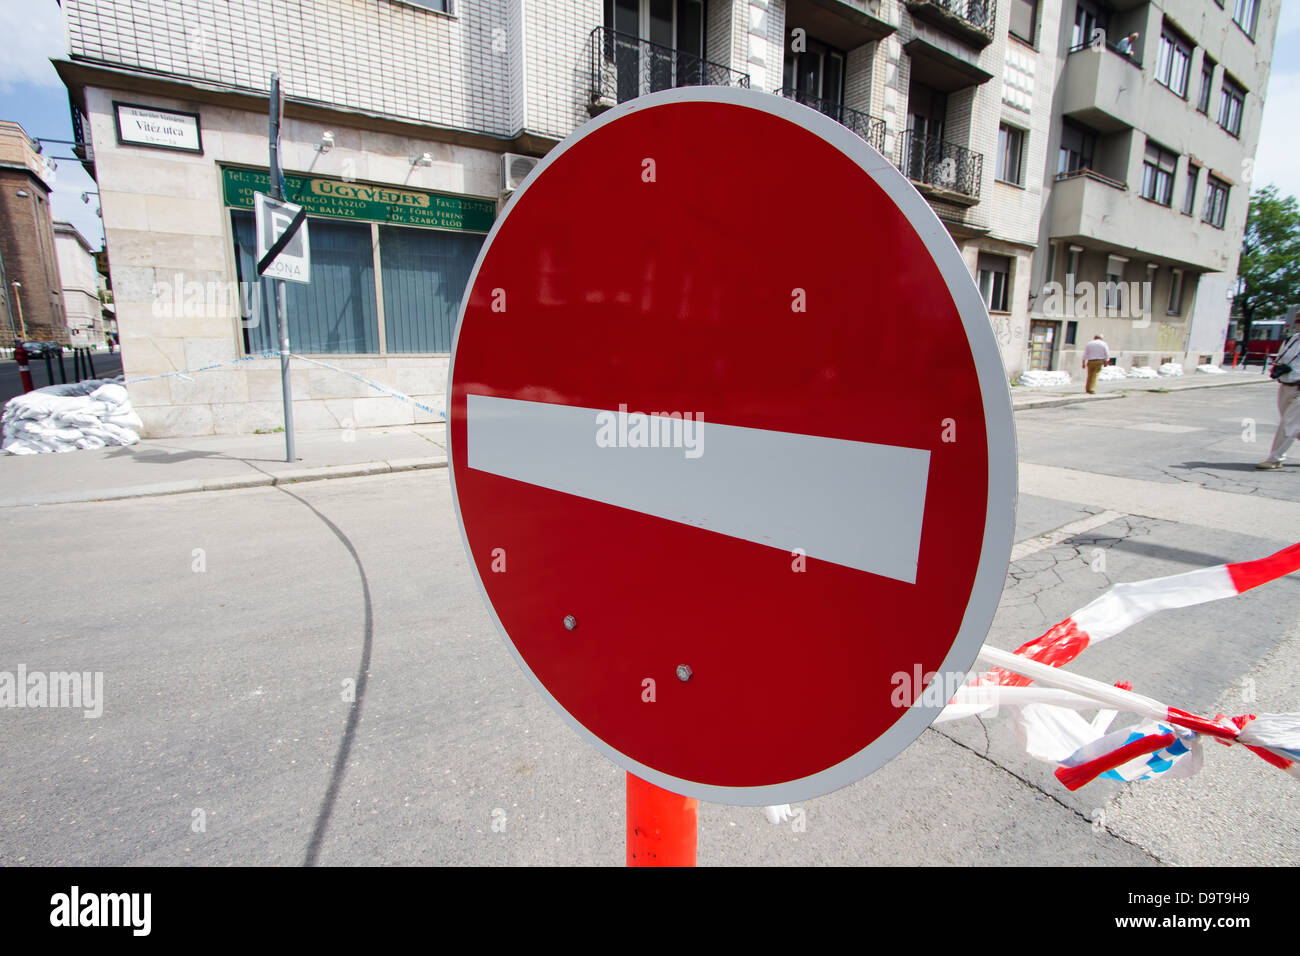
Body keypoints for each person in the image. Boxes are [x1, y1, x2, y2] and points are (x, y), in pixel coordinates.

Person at [1256, 313, 1300, 469]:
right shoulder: (1292, 340)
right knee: (1292, 424)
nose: (1299, 324)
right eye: (1298, 321)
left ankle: (1275, 459)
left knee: (1288, 423)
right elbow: (1282, 358)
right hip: (1286, 385)